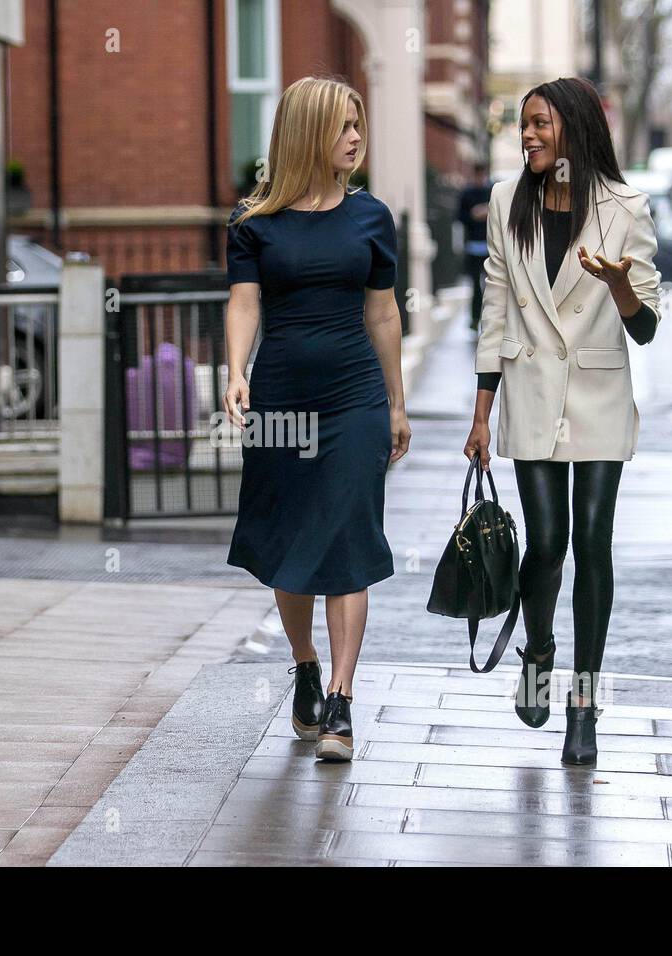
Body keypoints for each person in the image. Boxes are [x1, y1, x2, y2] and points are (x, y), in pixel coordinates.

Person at [464, 77, 662, 766]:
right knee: (546, 544)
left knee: (593, 543)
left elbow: (648, 329)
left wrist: (618, 286)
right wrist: (481, 409)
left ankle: (584, 702)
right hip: (530, 391)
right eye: (523, 126)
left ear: (574, 128)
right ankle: (539, 649)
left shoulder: (625, 208)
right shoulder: (505, 202)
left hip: (600, 394)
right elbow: (494, 305)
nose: (529, 136)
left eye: (541, 124)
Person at [223, 76, 411, 762]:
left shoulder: (371, 218)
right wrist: (236, 370)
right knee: (289, 540)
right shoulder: (254, 221)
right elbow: (244, 303)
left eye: (359, 123)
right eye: (344, 126)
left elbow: (384, 312)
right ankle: (303, 663)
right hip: (281, 399)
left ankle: (340, 700)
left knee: (349, 540)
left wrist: (395, 402)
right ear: (309, 132)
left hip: (354, 398)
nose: (357, 137)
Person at [457, 161, 494, 331]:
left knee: (491, 286)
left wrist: (487, 211)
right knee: (475, 286)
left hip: (490, 247)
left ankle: (489, 319)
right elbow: (460, 217)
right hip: (472, 246)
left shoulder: (493, 190)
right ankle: (474, 318)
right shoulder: (467, 193)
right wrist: (473, 215)